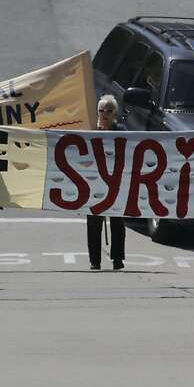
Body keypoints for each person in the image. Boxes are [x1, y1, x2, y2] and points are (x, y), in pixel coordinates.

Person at [86, 94, 126, 270]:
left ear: (114, 113)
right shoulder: (90, 131)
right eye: (101, 110)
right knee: (94, 222)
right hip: (95, 181)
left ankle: (118, 258)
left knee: (117, 221)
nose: (104, 114)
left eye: (109, 110)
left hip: (115, 181)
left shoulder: (121, 131)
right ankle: (95, 260)